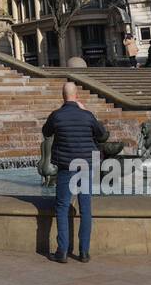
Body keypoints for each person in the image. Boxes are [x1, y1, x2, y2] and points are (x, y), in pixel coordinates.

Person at [42, 81, 109, 264]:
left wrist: (58, 117)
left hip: (66, 168)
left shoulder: (57, 116)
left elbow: (46, 132)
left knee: (62, 207)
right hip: (86, 167)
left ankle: (62, 251)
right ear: (77, 96)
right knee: (85, 208)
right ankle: (84, 252)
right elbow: (102, 135)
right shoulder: (87, 116)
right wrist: (87, 111)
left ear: (63, 96)